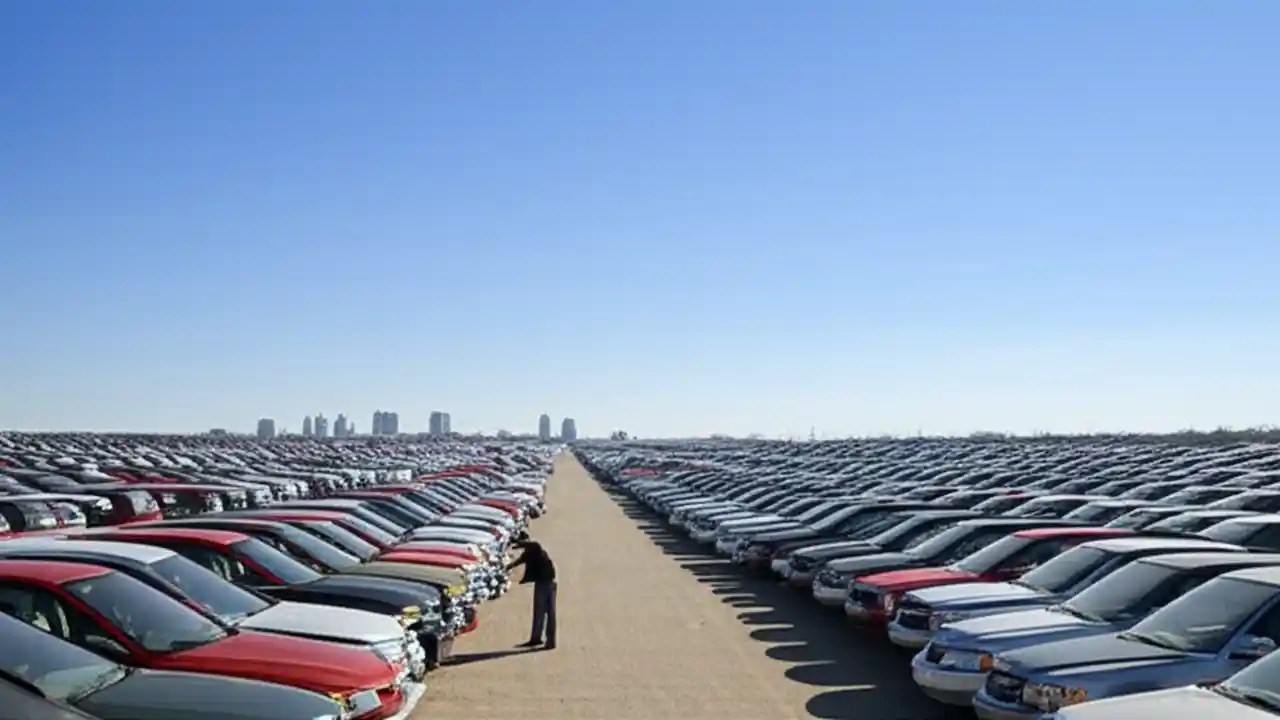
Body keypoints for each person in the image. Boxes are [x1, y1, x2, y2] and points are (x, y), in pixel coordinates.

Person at [507, 537, 557, 650]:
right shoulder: (531, 552)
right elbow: (518, 561)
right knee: (540, 612)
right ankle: (537, 638)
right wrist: (507, 567)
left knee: (548, 612)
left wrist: (519, 544)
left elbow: (530, 548)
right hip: (543, 582)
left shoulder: (535, 548)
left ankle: (549, 641)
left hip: (546, 583)